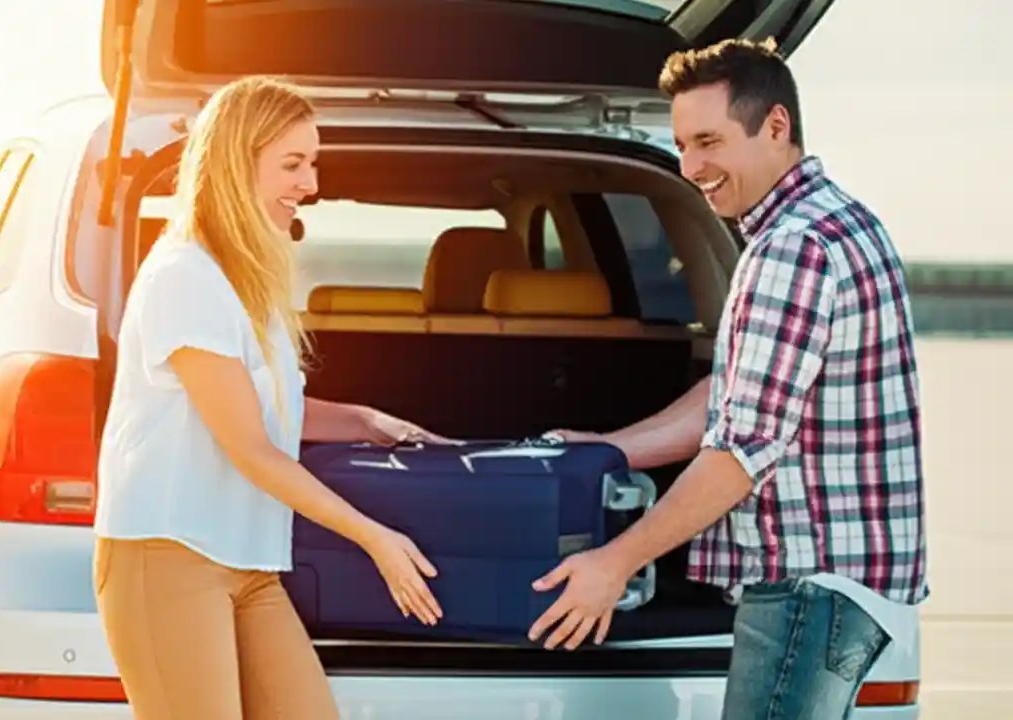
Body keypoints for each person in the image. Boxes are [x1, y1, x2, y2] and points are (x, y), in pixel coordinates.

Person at [533, 38, 927, 719]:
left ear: (776, 125)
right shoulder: (831, 222)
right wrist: (607, 450)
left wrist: (615, 562)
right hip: (835, 587)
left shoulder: (792, 248)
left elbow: (741, 452)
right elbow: (739, 397)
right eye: (683, 145)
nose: (691, 168)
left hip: (809, 588)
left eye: (708, 142)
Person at [92, 75, 448, 720]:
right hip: (170, 556)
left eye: (312, 163)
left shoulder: (245, 282)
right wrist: (375, 538)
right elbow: (251, 447)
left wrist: (371, 423)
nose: (310, 184)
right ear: (235, 165)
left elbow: (269, 411)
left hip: (249, 563)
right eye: (292, 164)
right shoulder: (185, 277)